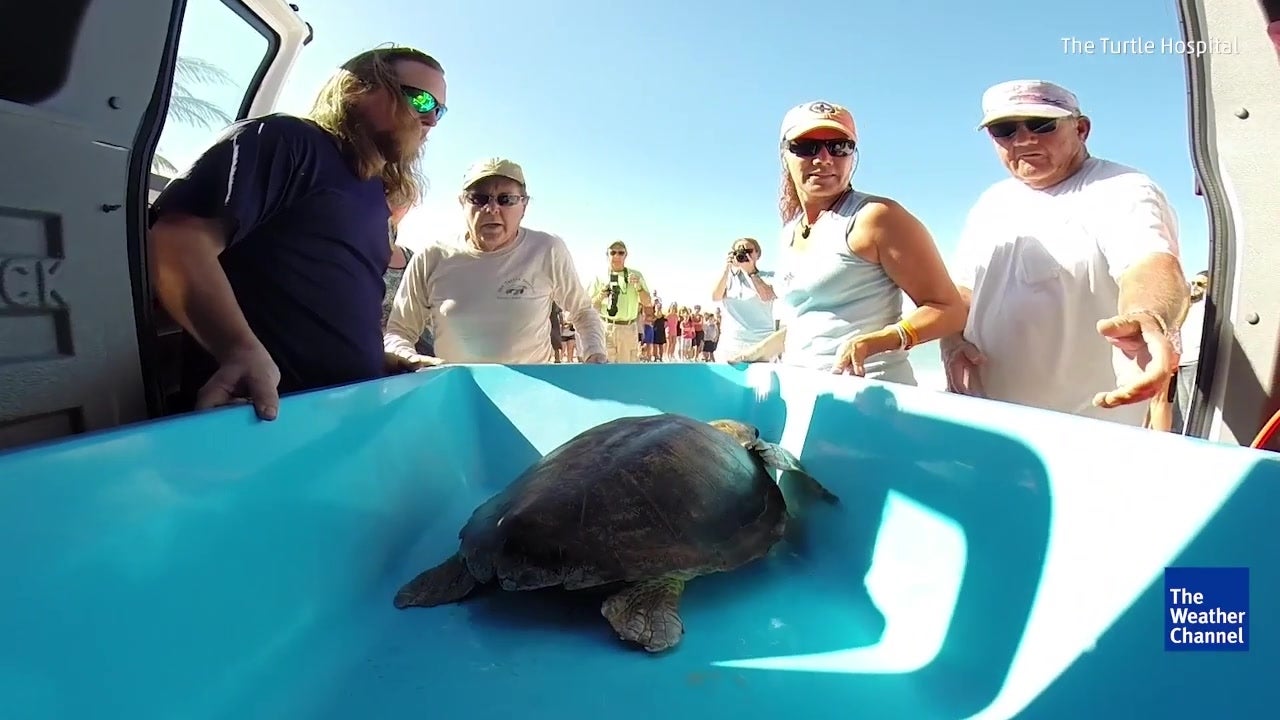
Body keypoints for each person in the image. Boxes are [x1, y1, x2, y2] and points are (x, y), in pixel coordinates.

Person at [149, 46, 447, 421]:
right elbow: (176, 244)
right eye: (420, 99)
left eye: (439, 110)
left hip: (338, 419)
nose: (430, 119)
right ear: (358, 88)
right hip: (259, 418)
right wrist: (238, 350)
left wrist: (375, 359)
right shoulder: (286, 140)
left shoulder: (372, 194)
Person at [942, 79, 1190, 428]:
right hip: (992, 421)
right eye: (1004, 130)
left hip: (1093, 426)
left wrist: (1148, 316)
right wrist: (952, 341)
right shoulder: (991, 203)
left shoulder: (1122, 189)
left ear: (1082, 129)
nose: (1024, 139)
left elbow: (1151, 264)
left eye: (1041, 124)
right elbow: (964, 293)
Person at [731, 100, 966, 381]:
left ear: (853, 155)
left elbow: (949, 309)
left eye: (839, 146)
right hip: (808, 392)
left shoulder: (876, 218)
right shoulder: (791, 231)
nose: (824, 159)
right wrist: (760, 351)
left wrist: (880, 341)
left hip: (873, 395)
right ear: (784, 155)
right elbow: (813, 318)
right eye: (806, 147)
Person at [384, 157, 606, 364]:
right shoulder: (431, 257)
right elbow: (399, 332)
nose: (491, 209)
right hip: (459, 397)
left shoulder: (547, 250)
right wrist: (408, 359)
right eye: (478, 199)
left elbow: (582, 312)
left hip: (531, 396)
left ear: (524, 206)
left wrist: (594, 356)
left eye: (506, 199)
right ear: (463, 203)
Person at [710, 237, 776, 362]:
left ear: (757, 253)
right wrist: (727, 269)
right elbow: (715, 296)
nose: (744, 254)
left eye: (748, 251)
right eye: (738, 252)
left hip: (761, 345)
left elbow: (766, 296)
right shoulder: (728, 278)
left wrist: (751, 272)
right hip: (730, 346)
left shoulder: (769, 276)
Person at [588, 241, 652, 362]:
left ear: (626, 255)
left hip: (628, 329)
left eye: (620, 253)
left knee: (628, 371)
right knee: (605, 369)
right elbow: (589, 306)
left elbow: (647, 302)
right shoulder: (599, 277)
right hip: (607, 327)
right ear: (607, 255)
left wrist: (639, 287)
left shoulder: (635, 275)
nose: (616, 256)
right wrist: (601, 295)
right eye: (613, 252)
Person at [1173, 270, 1210, 432]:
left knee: (1192, 408)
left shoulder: (1207, 309)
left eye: (1201, 284)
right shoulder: (1189, 306)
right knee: (1180, 408)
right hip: (1182, 360)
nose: (1195, 287)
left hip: (1195, 361)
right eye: (1193, 283)